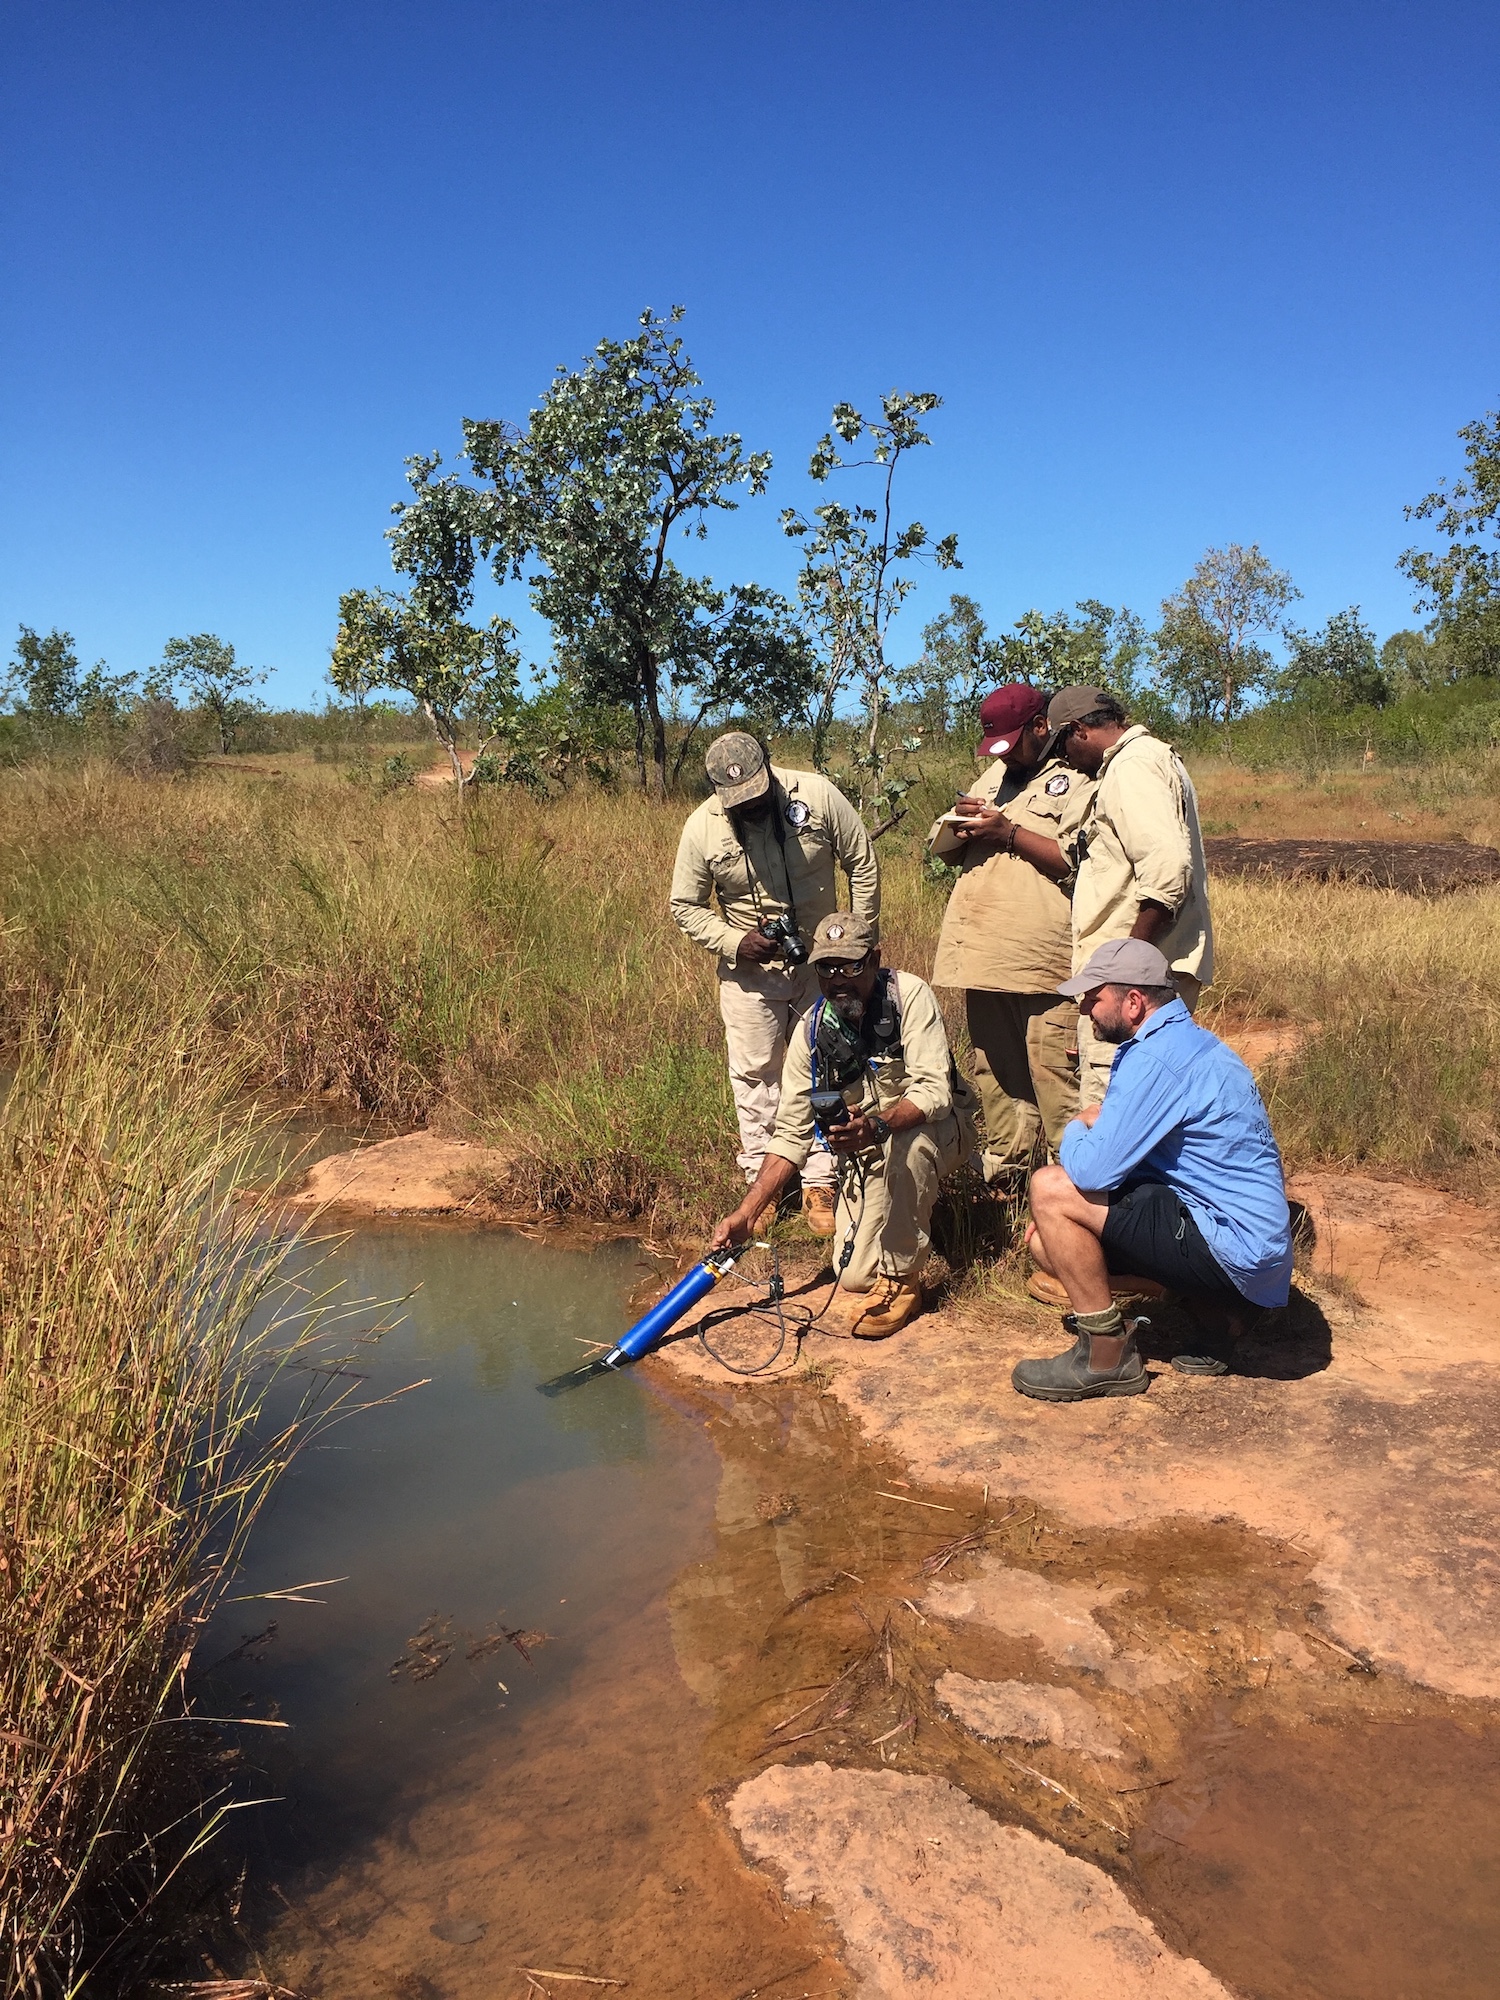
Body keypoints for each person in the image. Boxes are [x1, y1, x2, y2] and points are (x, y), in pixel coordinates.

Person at [1012, 938, 1292, 1403]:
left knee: (1051, 1190)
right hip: (1254, 1252)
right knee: (1048, 1242)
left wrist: (1078, 1125)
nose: (1085, 1010)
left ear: (1134, 1002)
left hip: (1231, 1242)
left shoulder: (1156, 1058)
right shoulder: (1194, 1044)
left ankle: (1105, 1356)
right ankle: (1219, 1309)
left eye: (1093, 997)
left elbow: (1093, 1172)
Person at [710, 913, 978, 1337]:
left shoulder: (909, 996)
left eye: (851, 967)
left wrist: (877, 1126)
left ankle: (904, 1283)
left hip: (938, 1132)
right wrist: (748, 1212)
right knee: (852, 1276)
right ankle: (914, 1219)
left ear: (874, 959)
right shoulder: (811, 1031)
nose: (839, 980)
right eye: (827, 968)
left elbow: (935, 1093)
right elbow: (790, 1136)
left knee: (911, 1145)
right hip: (871, 1151)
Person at [672, 733, 879, 1234]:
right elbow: (685, 906)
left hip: (822, 970)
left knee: (828, 1066)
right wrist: (732, 941)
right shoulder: (702, 827)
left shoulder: (818, 795)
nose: (752, 806)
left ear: (769, 769)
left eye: (759, 793)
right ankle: (761, 1191)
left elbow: (862, 864)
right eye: (738, 801)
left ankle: (820, 1182)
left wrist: (856, 946)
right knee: (756, 1075)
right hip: (748, 977)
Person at [928, 683, 1097, 1184]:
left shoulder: (1078, 778)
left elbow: (1079, 860)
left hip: (1046, 961)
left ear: (1041, 727)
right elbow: (945, 847)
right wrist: (963, 827)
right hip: (983, 955)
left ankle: (1075, 1190)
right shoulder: (998, 774)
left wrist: (1008, 833)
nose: (1003, 755)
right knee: (997, 1079)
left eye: (1011, 742)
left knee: (1058, 1080)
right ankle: (1008, 1181)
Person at [1046, 687, 1213, 1109]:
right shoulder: (1143, 760)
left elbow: (1167, 871)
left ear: (1078, 730)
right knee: (1146, 1103)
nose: (1062, 759)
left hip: (1133, 981)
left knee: (1112, 1109)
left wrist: (1123, 970)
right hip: (1139, 974)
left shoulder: (1133, 766)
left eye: (1061, 744)